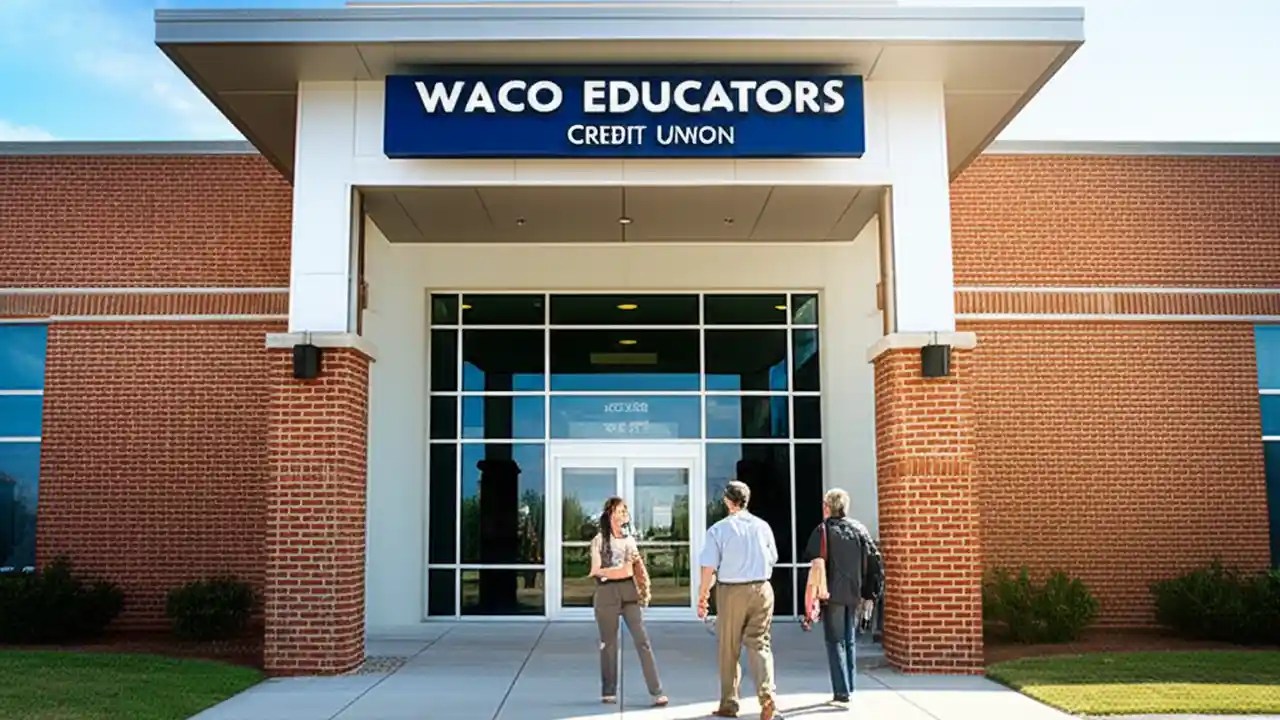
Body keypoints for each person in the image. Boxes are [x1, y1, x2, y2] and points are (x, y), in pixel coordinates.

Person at [696, 481, 782, 720]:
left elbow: (709, 569)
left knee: (729, 648)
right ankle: (768, 697)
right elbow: (772, 557)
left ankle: (729, 703)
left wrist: (702, 597)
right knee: (760, 643)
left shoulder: (719, 530)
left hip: (732, 591)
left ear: (726, 500)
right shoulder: (762, 526)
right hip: (763, 588)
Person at [802, 488, 882, 705]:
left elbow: (814, 562)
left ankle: (841, 691)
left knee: (835, 640)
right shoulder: (860, 530)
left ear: (827, 507)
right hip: (854, 593)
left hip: (832, 594)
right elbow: (875, 562)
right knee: (849, 639)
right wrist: (869, 594)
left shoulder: (823, 530)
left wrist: (812, 597)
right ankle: (850, 684)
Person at [589, 496, 668, 707]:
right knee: (608, 644)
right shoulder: (598, 540)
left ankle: (657, 691)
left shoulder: (630, 540)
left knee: (642, 641)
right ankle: (608, 691)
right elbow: (594, 571)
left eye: (626, 511)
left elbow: (627, 570)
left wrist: (608, 573)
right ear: (610, 514)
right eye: (620, 510)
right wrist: (610, 573)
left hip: (629, 592)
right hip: (606, 595)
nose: (624, 514)